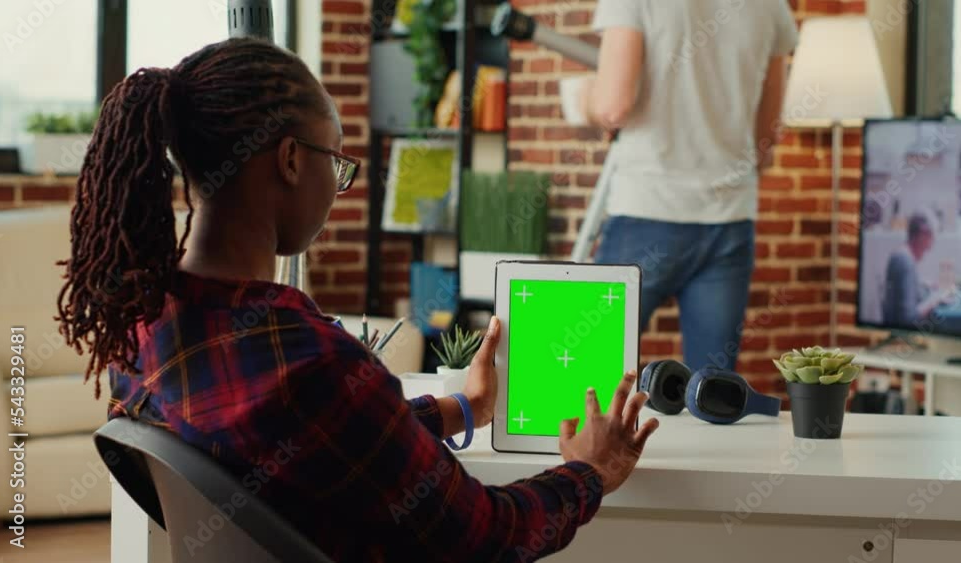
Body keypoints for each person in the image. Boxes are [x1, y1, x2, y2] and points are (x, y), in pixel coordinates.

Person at [55, 38, 659, 562]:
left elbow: (309, 443)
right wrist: (590, 470)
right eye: (336, 160)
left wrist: (462, 409)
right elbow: (486, 538)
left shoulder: (142, 318)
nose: (338, 187)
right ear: (291, 160)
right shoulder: (309, 362)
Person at [580, 0, 798, 373]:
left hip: (646, 212)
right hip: (729, 220)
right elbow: (766, 140)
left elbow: (613, 106)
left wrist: (585, 98)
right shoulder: (772, 5)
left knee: (587, 373)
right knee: (713, 391)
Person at [882, 212, 947, 327]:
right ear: (922, 234)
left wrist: (922, 284)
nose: (930, 247)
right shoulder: (905, 261)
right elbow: (908, 318)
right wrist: (935, 299)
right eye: (931, 238)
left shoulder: (900, 254)